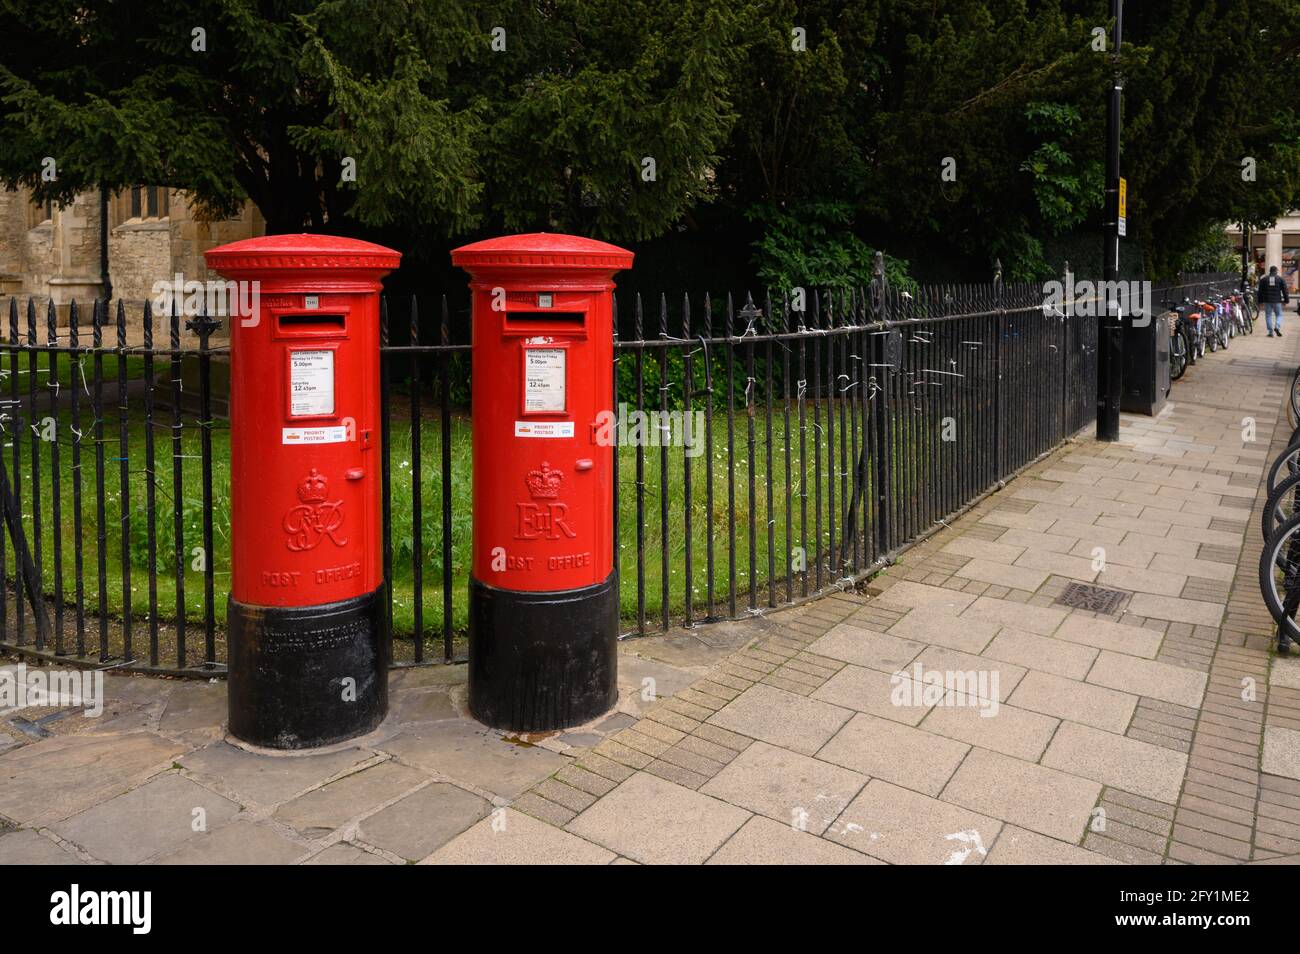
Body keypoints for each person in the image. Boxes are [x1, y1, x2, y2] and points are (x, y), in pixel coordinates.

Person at [1258, 265, 1290, 336]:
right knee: (1279, 315)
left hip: (1267, 301)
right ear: (1276, 271)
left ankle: (1270, 332)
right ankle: (1277, 326)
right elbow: (1285, 291)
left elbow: (1260, 291)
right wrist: (1286, 301)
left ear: (1270, 271)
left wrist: (1260, 301)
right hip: (1277, 301)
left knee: (1268, 315)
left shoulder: (1263, 279)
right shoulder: (1280, 279)